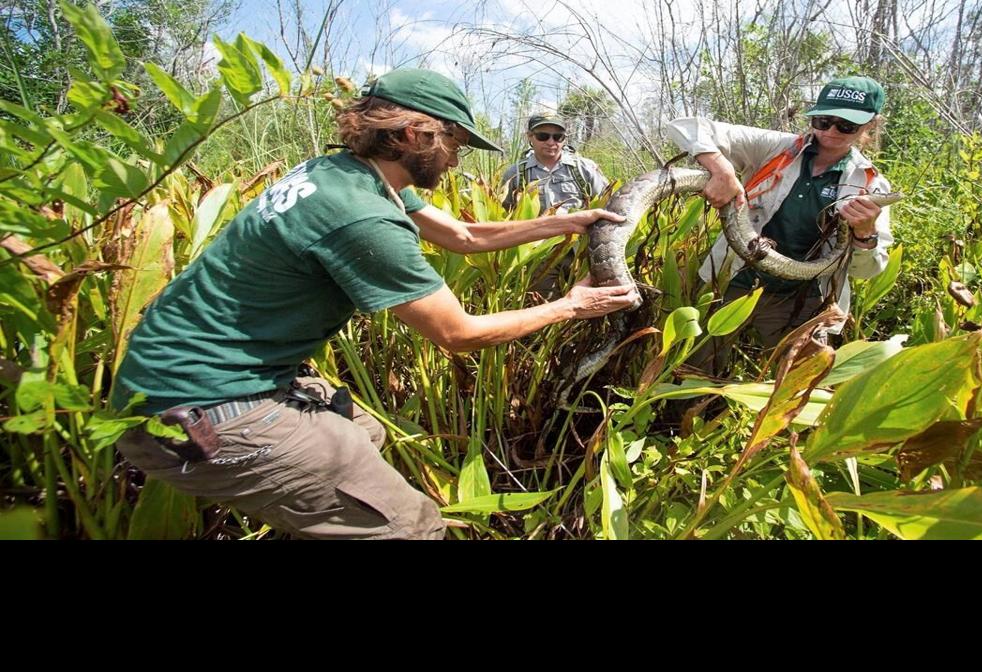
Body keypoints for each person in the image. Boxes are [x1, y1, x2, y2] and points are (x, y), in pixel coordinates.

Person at [111, 68, 639, 539]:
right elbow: (459, 334)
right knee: (415, 527)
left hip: (183, 380)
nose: (458, 158)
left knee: (366, 432)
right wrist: (571, 306)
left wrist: (567, 221)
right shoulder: (362, 215)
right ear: (414, 134)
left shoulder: (342, 173)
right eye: (455, 142)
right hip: (206, 409)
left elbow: (465, 236)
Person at [663, 76, 895, 372]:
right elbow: (686, 125)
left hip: (802, 299)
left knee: (805, 383)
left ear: (870, 126)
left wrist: (865, 233)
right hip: (732, 282)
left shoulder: (870, 184)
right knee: (696, 367)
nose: (831, 131)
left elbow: (867, 271)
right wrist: (721, 169)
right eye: (823, 121)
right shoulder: (775, 148)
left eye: (846, 126)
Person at [501, 114, 610, 213]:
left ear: (564, 139)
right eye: (543, 136)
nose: (551, 142)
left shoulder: (584, 169)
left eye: (558, 137)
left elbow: (608, 204)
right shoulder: (515, 174)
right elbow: (504, 212)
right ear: (530, 136)